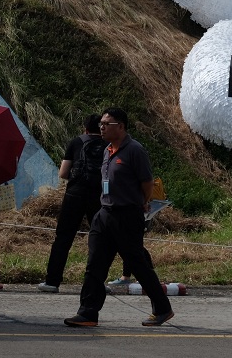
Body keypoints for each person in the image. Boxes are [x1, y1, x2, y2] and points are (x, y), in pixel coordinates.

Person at [63, 107, 174, 327]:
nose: (101, 127)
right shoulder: (107, 150)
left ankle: (162, 308)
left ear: (121, 127)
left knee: (137, 263)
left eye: (107, 124)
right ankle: (88, 312)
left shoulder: (135, 150)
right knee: (95, 264)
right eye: (101, 123)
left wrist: (140, 202)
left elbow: (147, 183)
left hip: (126, 215)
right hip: (104, 214)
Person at [39, 114, 107, 292]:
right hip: (99, 196)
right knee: (100, 240)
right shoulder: (109, 144)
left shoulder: (76, 142)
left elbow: (63, 173)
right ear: (101, 128)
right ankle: (97, 282)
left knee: (63, 238)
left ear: (85, 128)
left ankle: (52, 282)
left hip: (75, 194)